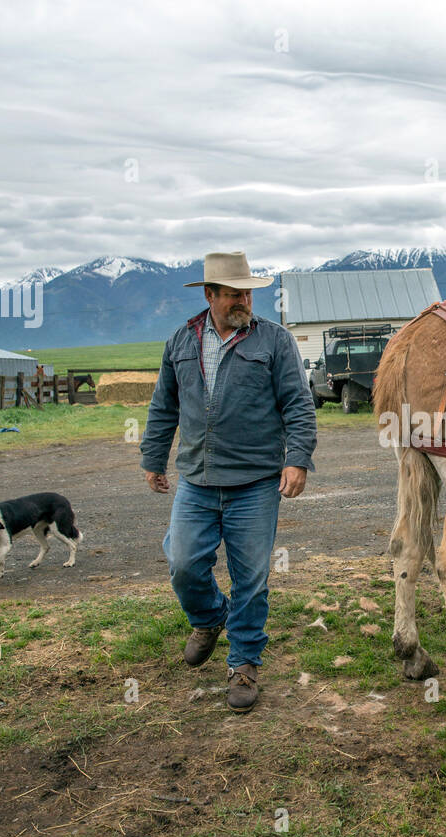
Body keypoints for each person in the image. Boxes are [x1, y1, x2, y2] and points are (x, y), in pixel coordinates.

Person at [141, 251, 317, 712]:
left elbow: (299, 405)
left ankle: (243, 663)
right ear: (210, 295)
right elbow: (164, 406)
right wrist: (153, 458)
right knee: (182, 562)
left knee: (252, 578)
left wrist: (296, 460)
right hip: (196, 480)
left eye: (248, 292)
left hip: (256, 481)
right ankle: (208, 617)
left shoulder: (274, 341)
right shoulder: (181, 340)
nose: (244, 300)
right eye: (235, 293)